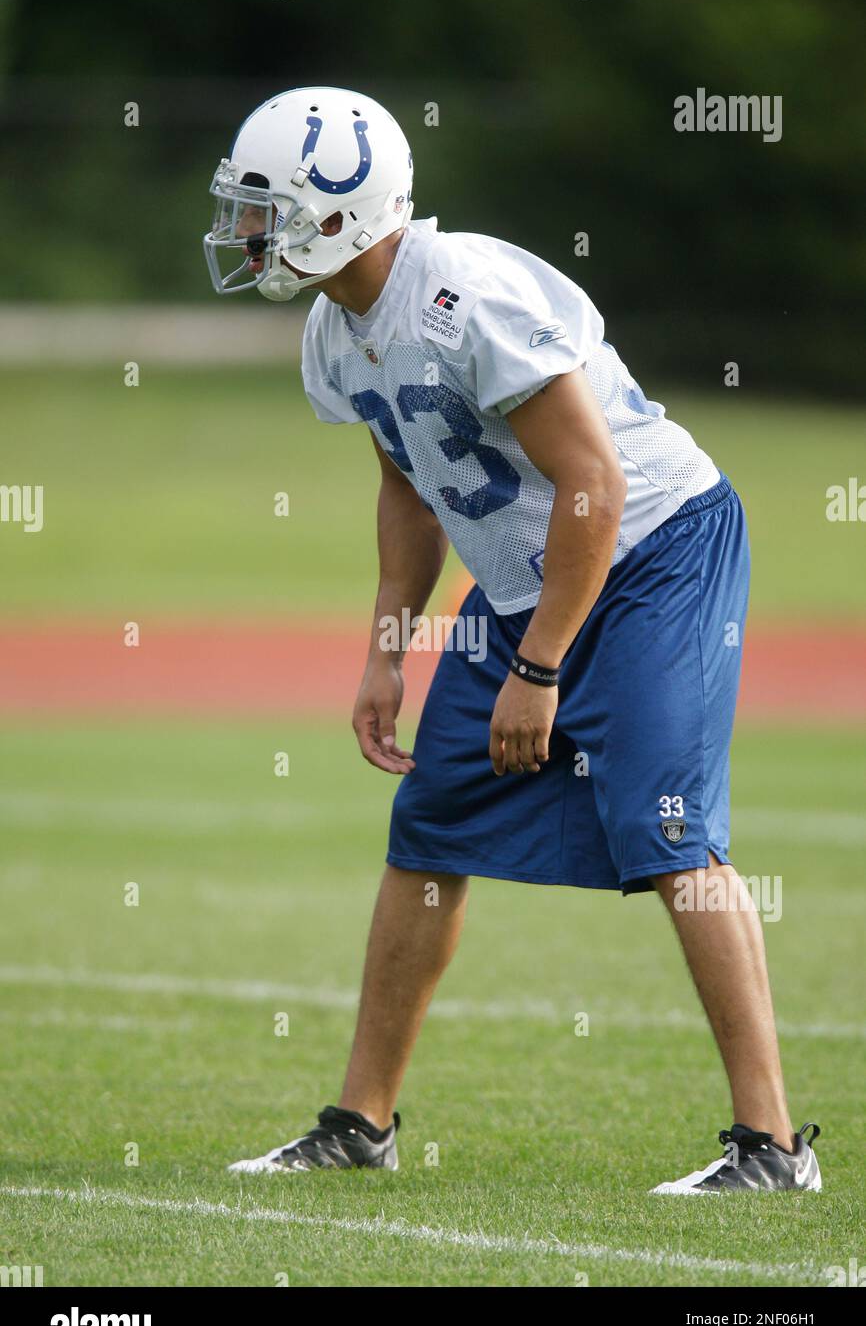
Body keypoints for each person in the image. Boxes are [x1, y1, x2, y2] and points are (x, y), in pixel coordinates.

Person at [203, 86, 821, 1192]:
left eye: (266, 208)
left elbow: (594, 480)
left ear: (340, 209)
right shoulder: (334, 328)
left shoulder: (462, 297)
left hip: (650, 548)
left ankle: (770, 1147)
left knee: (666, 825)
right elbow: (409, 480)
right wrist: (390, 641)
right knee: (429, 823)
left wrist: (536, 667)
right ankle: (361, 1123)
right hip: (529, 569)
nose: (247, 232)